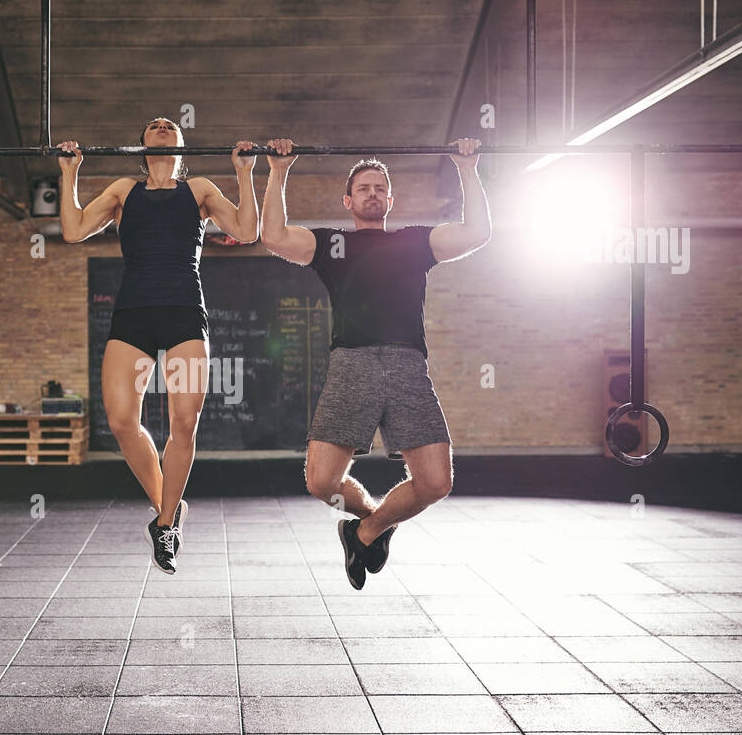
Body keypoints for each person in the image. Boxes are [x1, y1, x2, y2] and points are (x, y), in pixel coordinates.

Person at [259, 138, 490, 588]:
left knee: (436, 483)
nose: (372, 193)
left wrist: (467, 168)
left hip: (407, 367)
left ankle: (364, 531)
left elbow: (477, 233)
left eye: (380, 188)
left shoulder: (416, 241)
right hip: (352, 365)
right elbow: (273, 236)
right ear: (348, 200)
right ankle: (373, 524)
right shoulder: (332, 244)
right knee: (321, 482)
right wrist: (278, 170)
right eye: (363, 188)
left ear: (390, 199)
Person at [57, 118, 259, 573]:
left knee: (183, 423)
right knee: (122, 421)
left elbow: (247, 229)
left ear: (181, 144)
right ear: (141, 144)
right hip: (133, 316)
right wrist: (69, 173)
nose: (163, 125)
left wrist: (245, 173)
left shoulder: (200, 190)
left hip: (185, 315)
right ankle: (170, 510)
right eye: (154, 124)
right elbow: (73, 230)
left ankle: (165, 523)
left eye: (170, 124)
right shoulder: (124, 191)